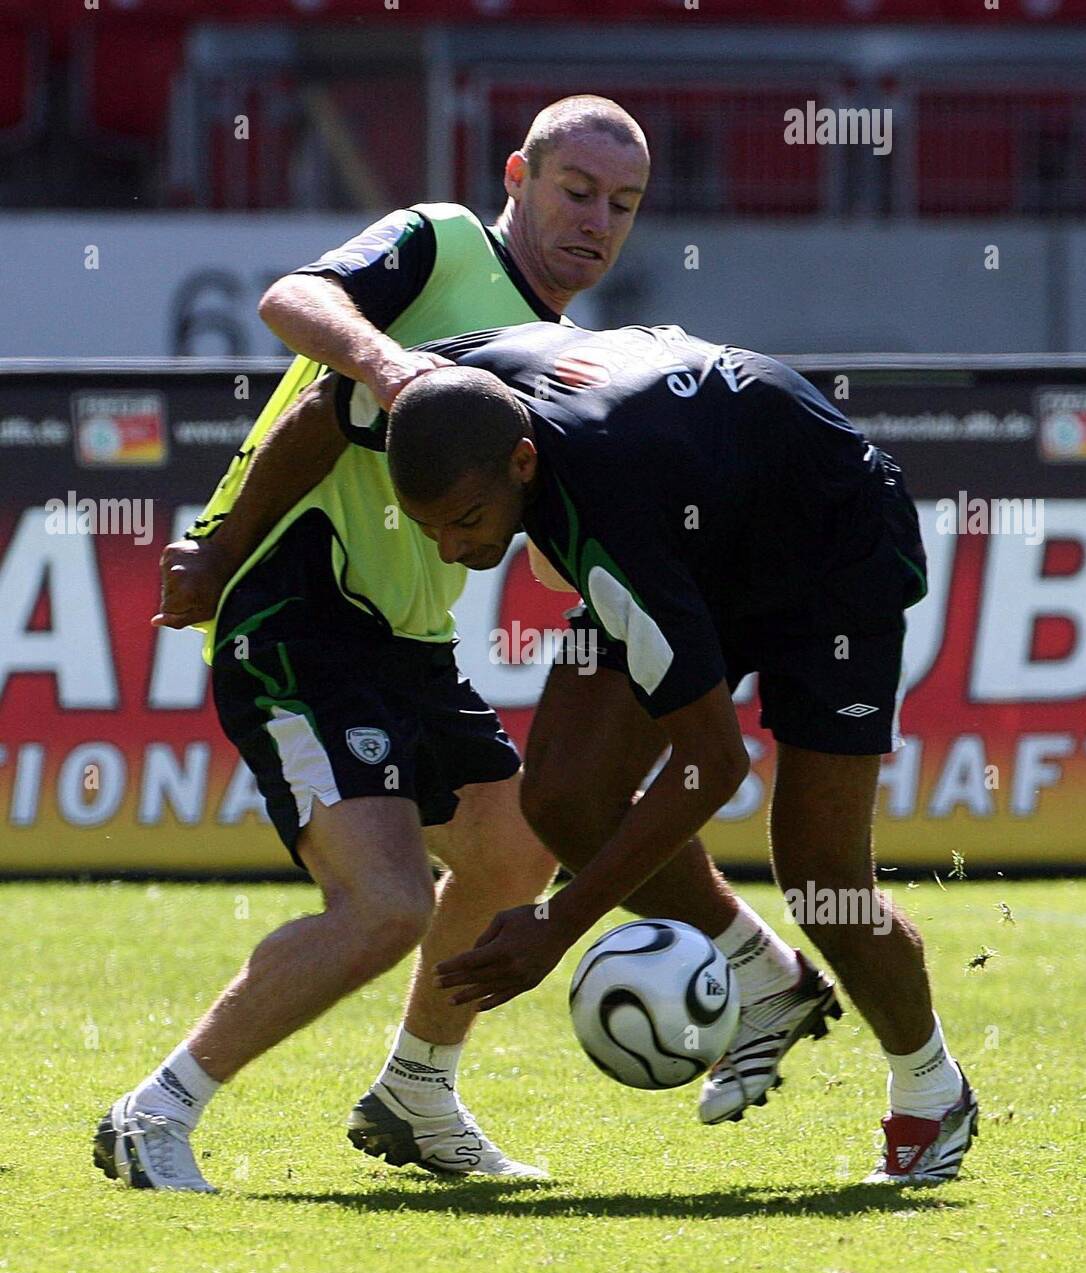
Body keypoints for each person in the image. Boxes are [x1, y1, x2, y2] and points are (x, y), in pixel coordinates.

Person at [94, 97, 652, 1191]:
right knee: (387, 907)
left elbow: (538, 553)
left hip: (410, 643)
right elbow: (290, 298)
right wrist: (390, 368)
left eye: (623, 206)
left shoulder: (568, 360)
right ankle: (151, 1114)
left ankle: (416, 1095)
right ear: (519, 176)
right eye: (576, 191)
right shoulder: (441, 241)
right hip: (294, 611)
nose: (597, 221)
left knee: (513, 844)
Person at [368, 319, 977, 1185]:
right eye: (430, 528)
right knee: (563, 798)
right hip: (694, 533)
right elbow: (333, 378)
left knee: (822, 876)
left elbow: (712, 767)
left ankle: (931, 1094)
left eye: (466, 520)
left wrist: (558, 924)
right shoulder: (465, 381)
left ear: (524, 463)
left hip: (832, 555)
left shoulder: (609, 517)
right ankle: (770, 983)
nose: (453, 549)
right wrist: (223, 544)